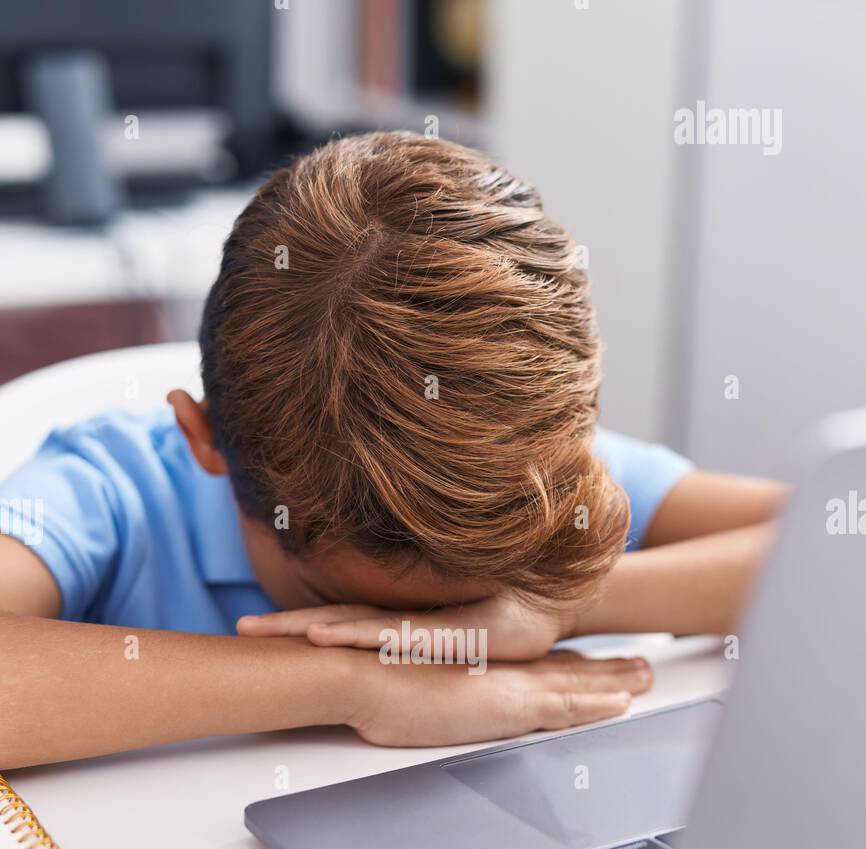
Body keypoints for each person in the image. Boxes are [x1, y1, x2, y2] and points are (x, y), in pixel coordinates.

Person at [0, 133, 783, 768]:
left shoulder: (511, 463)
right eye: (362, 611)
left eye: (463, 607)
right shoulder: (114, 492)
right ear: (203, 440)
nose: (426, 647)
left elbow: (835, 545)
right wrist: (356, 684)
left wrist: (554, 607)